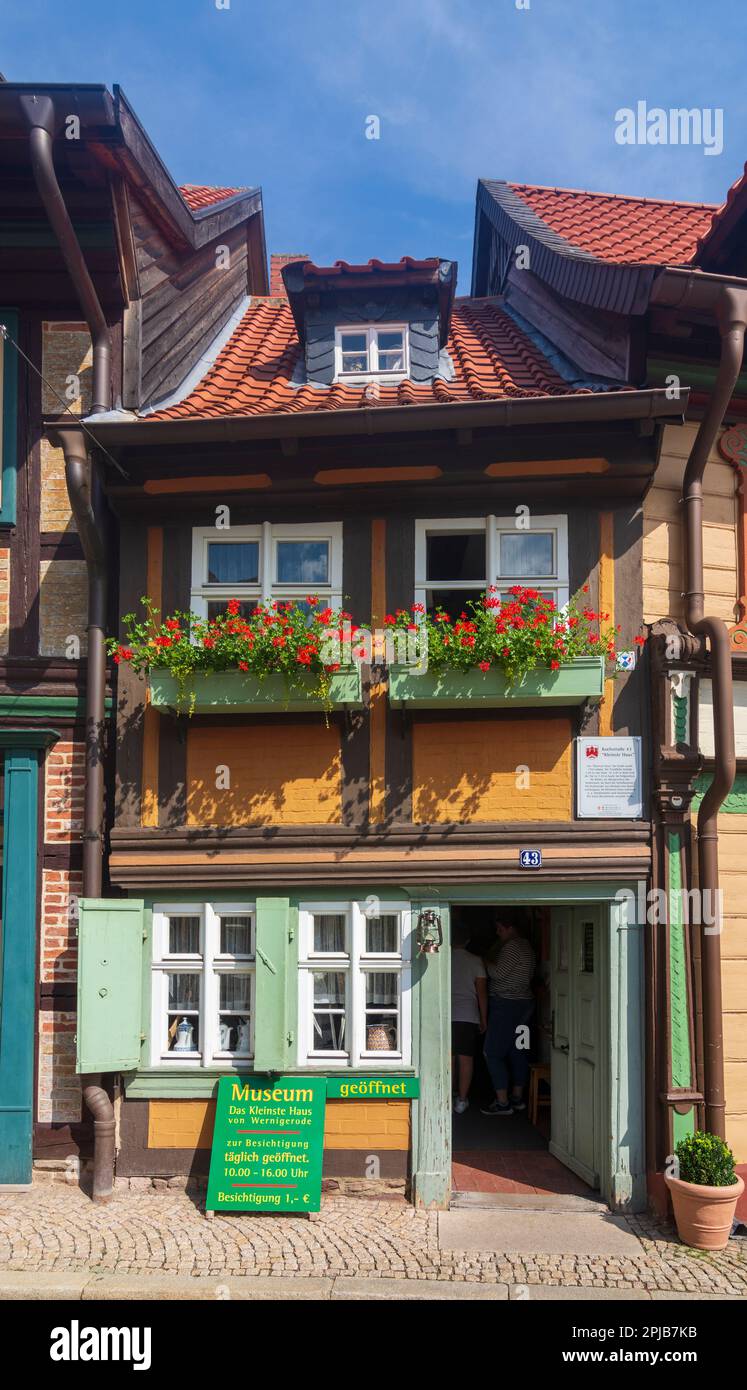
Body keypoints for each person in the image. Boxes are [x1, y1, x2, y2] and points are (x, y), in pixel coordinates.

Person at [482, 916, 536, 1117]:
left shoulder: (512, 946)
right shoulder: (527, 946)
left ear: (510, 927)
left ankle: (503, 1103)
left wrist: (485, 961)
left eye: (499, 928)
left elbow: (498, 973)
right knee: (518, 1050)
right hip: (525, 1005)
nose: (498, 933)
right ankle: (517, 1097)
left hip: (506, 1004)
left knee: (492, 1052)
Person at [450, 921, 488, 1114]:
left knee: (448, 1058)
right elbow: (481, 992)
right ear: (468, 940)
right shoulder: (476, 961)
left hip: (446, 1014)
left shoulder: (443, 959)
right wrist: (484, 1018)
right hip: (467, 1014)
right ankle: (462, 1100)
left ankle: (446, 1096)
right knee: (466, 1059)